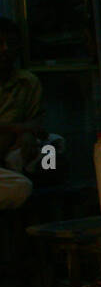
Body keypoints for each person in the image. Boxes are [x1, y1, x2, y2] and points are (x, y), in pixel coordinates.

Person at [0, 17, 45, 210]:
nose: (5, 49)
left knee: (54, 149)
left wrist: (26, 132)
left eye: (11, 43)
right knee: (21, 187)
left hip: (15, 149)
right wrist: (18, 129)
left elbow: (37, 120)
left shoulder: (27, 81)